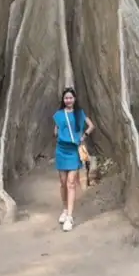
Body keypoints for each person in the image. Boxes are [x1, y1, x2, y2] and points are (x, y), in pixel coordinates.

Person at [53, 87, 94, 232]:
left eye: (70, 98)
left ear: (74, 99)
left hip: (74, 151)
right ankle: (65, 209)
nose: (68, 100)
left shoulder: (79, 113)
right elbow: (56, 130)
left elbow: (91, 126)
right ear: (63, 100)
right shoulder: (59, 114)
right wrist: (58, 133)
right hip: (61, 151)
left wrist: (83, 136)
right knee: (63, 183)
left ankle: (69, 217)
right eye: (66, 98)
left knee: (71, 183)